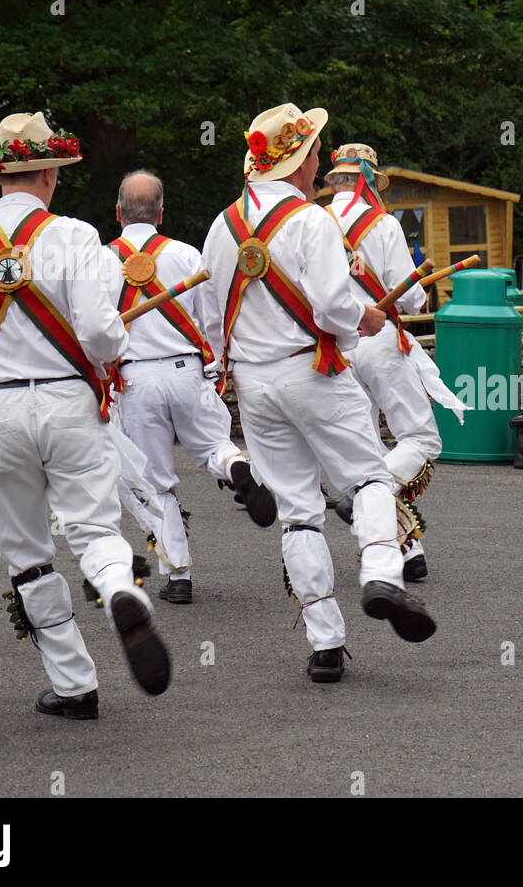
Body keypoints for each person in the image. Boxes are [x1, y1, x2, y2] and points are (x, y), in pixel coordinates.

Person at [0, 112, 171, 719]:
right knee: (95, 529)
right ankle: (119, 591)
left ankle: (75, 684)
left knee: (27, 556)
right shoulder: (76, 236)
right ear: (52, 172)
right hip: (67, 404)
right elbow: (102, 335)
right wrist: (104, 360)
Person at [197, 103, 436, 685]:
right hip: (314, 370)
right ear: (301, 162)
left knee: (298, 514)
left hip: (253, 385)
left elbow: (208, 319)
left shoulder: (220, 225)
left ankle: (325, 645)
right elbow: (333, 306)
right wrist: (368, 318)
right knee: (370, 478)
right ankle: (381, 570)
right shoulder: (311, 221)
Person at [107, 170, 276, 605]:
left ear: (118, 212)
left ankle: (178, 576)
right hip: (185, 371)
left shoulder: (101, 261)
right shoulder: (186, 255)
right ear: (162, 213)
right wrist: (214, 365)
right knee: (213, 445)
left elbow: (92, 332)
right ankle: (236, 467)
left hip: (136, 378)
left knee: (156, 480)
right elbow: (213, 318)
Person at [322, 143, 466, 582]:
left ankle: (407, 550)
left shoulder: (310, 223)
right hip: (379, 340)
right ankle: (364, 498)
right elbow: (407, 296)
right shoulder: (381, 224)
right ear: (368, 179)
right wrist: (417, 288)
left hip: (332, 346)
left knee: (365, 448)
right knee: (421, 440)